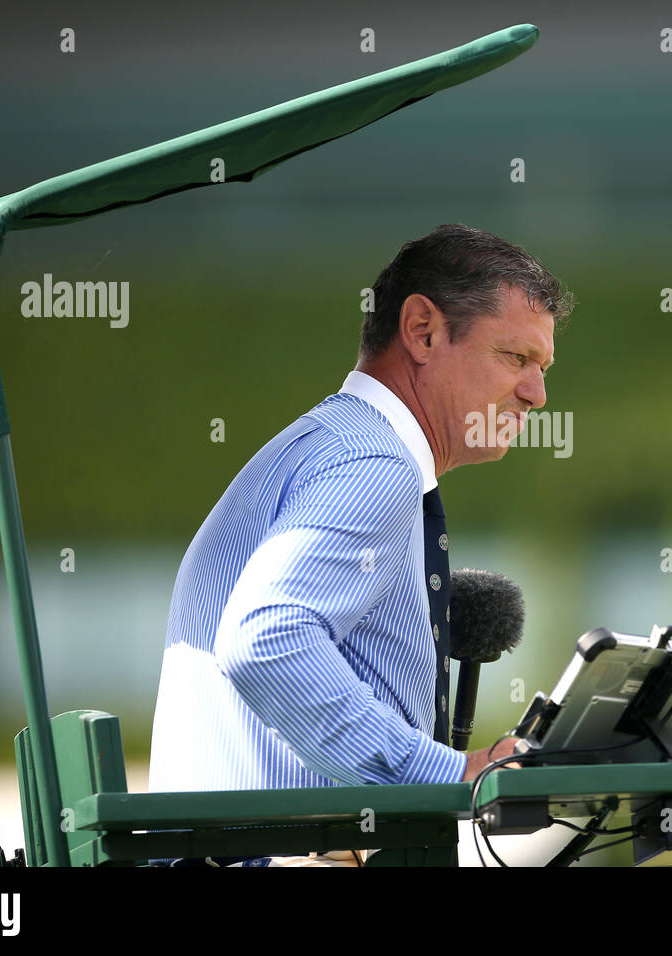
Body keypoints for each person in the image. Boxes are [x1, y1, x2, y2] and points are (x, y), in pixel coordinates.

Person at [147, 223, 573, 865]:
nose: (537, 394)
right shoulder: (375, 462)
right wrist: (450, 774)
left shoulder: (332, 445)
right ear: (423, 331)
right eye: (515, 358)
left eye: (541, 369)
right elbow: (267, 638)